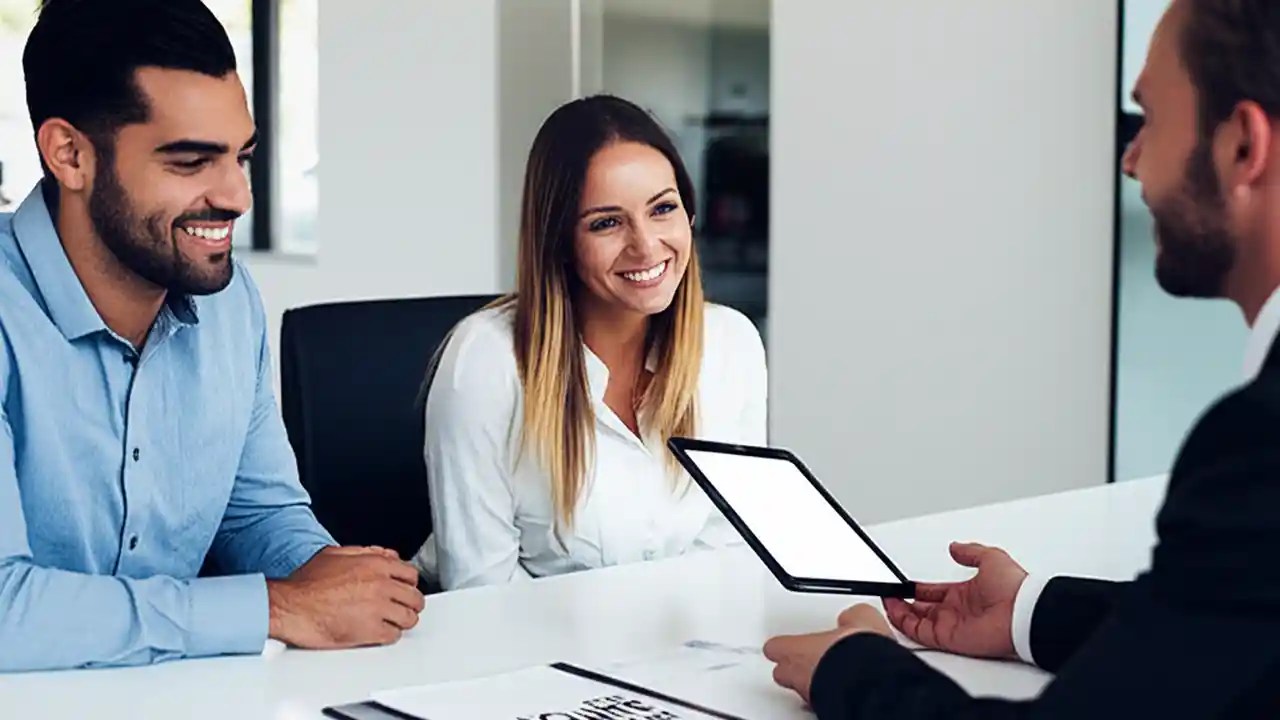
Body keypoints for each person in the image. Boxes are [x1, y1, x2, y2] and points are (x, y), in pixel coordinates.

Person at [762, 1, 1280, 716]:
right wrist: (1029, 612)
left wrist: (852, 669)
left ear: (1243, 147)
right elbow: (1237, 625)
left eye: (1150, 121)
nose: (1131, 160)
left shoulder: (1260, 440)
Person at [0, 0, 423, 672]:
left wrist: (338, 580)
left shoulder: (230, 304)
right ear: (70, 154)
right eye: (191, 162)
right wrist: (279, 608)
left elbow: (256, 515)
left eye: (241, 157)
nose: (236, 196)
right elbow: (6, 609)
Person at [410, 95, 767, 590]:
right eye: (606, 222)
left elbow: (728, 549)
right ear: (558, 240)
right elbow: (482, 591)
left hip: (682, 652)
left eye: (662, 209)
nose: (645, 245)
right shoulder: (485, 362)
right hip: (523, 654)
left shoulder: (732, 345)